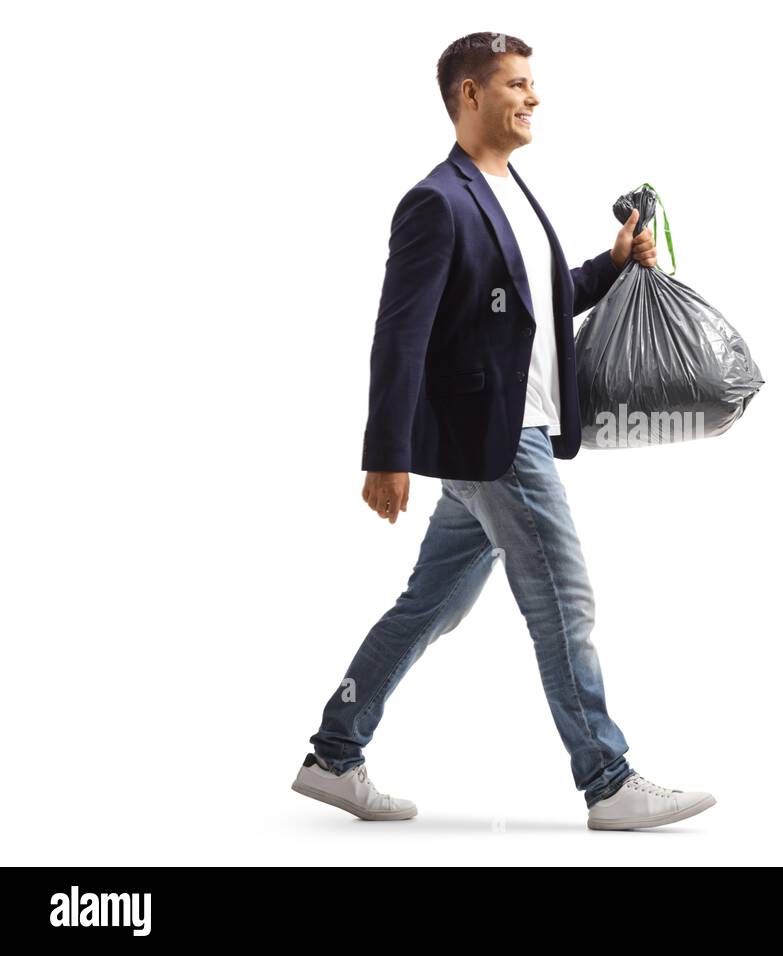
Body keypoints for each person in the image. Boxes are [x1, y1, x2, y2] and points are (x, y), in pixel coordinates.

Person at [291, 32, 716, 831]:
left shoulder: (512, 189)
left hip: (501, 439)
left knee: (427, 608)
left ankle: (334, 754)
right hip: (500, 438)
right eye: (517, 84)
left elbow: (534, 306)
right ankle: (608, 780)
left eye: (532, 84)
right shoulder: (436, 201)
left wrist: (612, 263)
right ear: (470, 96)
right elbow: (400, 335)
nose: (534, 98)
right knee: (565, 601)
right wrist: (386, 454)